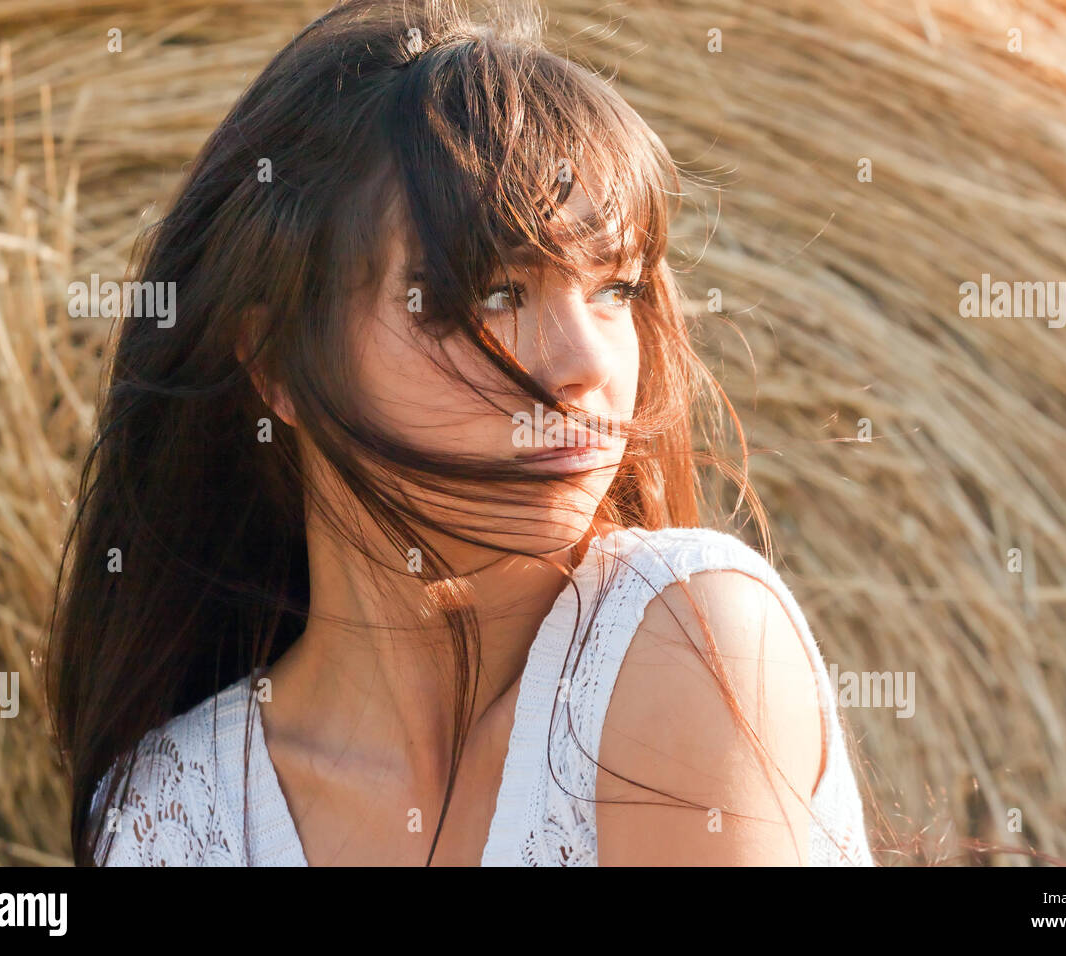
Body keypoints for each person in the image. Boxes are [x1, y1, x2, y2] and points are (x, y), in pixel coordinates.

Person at [45, 0, 873, 867]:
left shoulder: (684, 639)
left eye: (615, 288)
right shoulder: (169, 809)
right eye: (490, 294)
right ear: (277, 365)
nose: (584, 362)